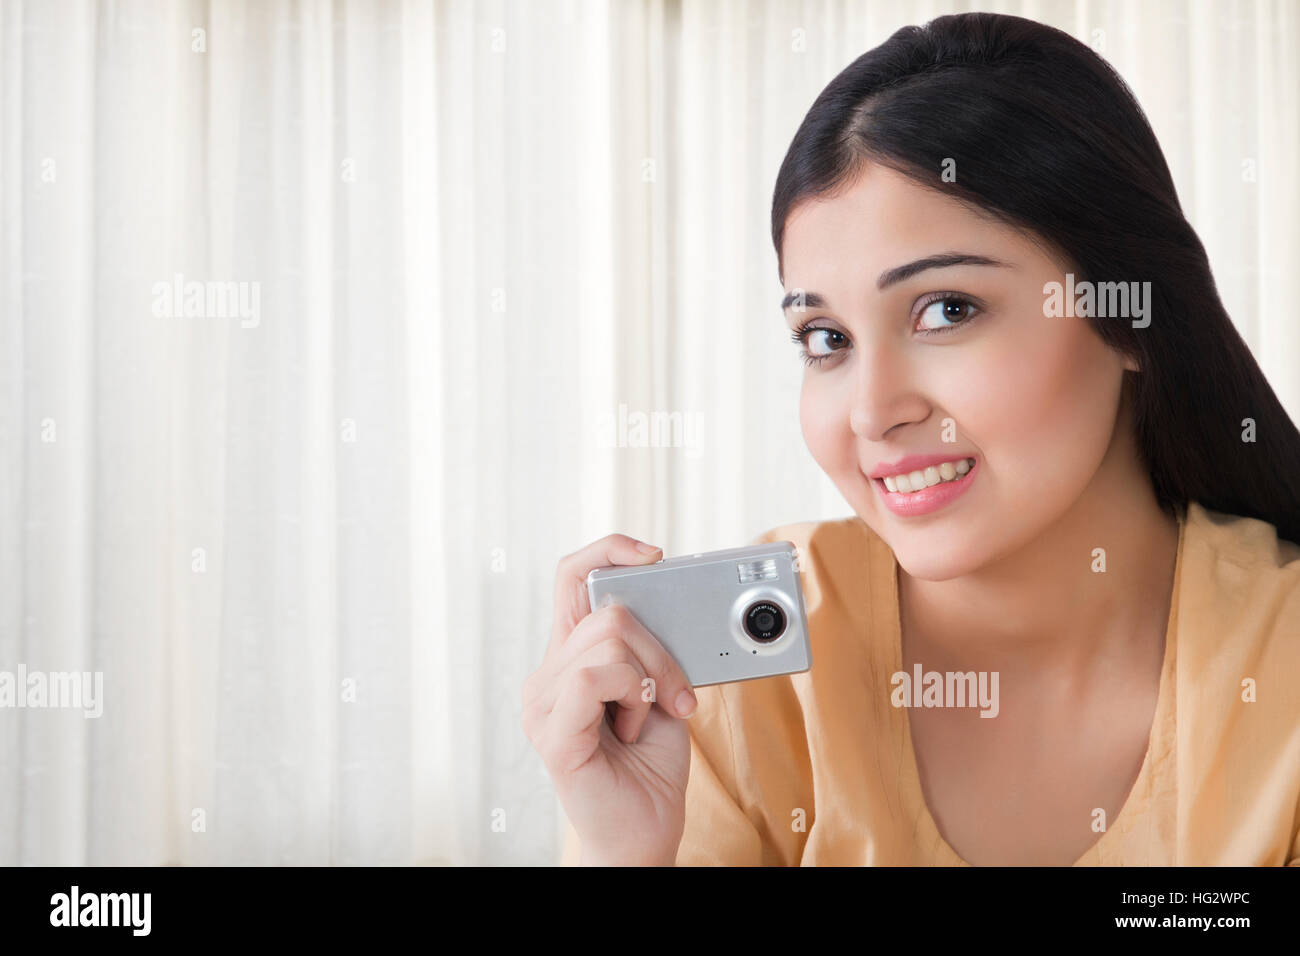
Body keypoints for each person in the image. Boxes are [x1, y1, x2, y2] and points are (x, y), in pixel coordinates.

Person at [523, 11, 1300, 866]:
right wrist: (624, 851)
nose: (870, 410)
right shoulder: (738, 683)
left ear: (1126, 315)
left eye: (947, 311)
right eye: (827, 339)